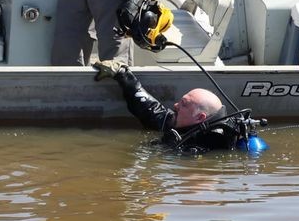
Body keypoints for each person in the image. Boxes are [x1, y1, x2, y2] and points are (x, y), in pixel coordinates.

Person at [92, 59, 264, 153]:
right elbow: (151, 111)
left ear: (200, 117)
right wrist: (123, 75)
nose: (175, 105)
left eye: (183, 105)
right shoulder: (186, 120)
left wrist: (169, 147)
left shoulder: (209, 143)